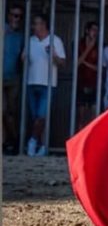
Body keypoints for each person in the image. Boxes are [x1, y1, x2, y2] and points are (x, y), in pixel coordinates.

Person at [23, 14, 66, 157]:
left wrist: (53, 55)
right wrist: (23, 58)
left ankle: (32, 142)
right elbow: (24, 59)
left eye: (37, 24)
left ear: (44, 25)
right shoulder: (31, 40)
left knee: (41, 116)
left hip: (48, 84)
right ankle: (42, 146)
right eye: (33, 24)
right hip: (31, 82)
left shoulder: (55, 40)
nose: (34, 27)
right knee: (36, 117)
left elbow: (63, 63)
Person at [3, 5, 24, 154]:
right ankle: (5, 141)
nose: (17, 19)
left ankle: (13, 140)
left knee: (11, 113)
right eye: (14, 15)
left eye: (19, 17)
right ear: (8, 16)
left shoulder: (20, 36)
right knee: (2, 110)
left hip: (13, 78)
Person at [76, 22, 99, 130]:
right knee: (81, 116)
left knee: (94, 116)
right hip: (81, 83)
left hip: (94, 84)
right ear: (87, 31)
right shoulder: (78, 44)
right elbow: (76, 63)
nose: (95, 32)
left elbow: (99, 68)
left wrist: (84, 62)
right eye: (93, 30)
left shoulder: (99, 46)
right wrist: (89, 48)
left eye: (97, 30)